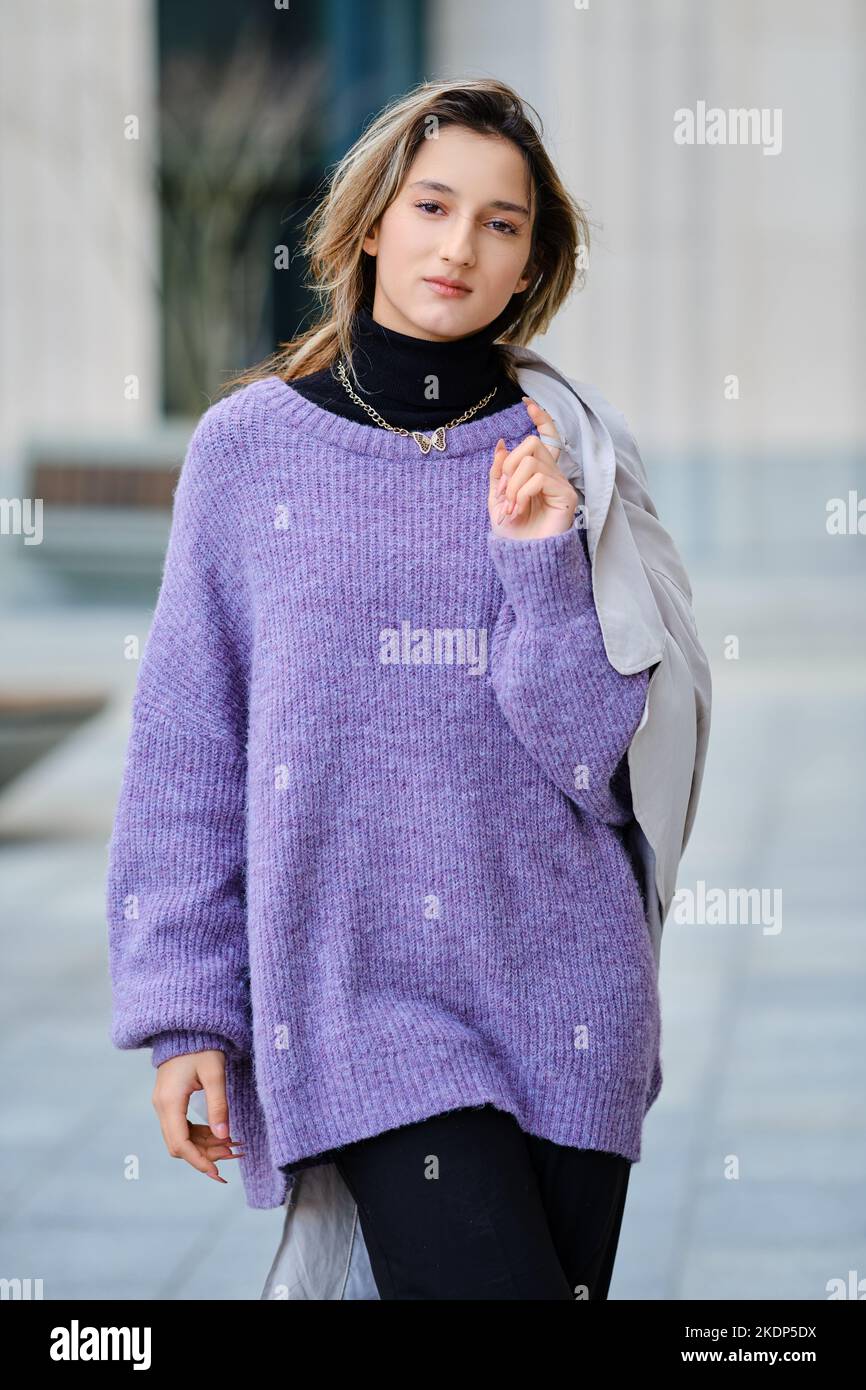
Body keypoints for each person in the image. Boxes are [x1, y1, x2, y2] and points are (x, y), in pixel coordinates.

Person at [106, 76, 669, 1300]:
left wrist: (540, 565)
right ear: (371, 223)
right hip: (357, 995)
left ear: (529, 264)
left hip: (569, 994)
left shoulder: (566, 452)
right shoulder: (248, 450)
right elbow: (188, 746)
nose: (459, 246)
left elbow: (596, 765)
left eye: (500, 223)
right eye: (431, 205)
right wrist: (185, 1012)